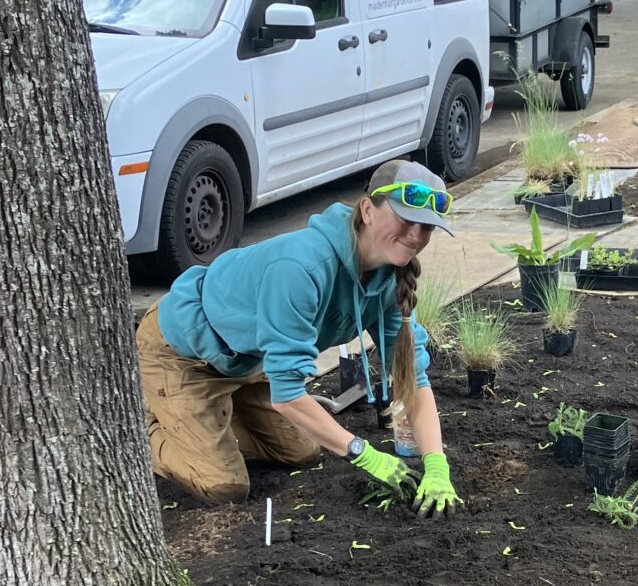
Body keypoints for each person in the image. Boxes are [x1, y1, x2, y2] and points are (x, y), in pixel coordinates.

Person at [135, 158, 461, 515]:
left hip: (249, 361)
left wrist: (436, 466)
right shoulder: (302, 268)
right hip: (185, 352)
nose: (416, 236)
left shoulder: (386, 280)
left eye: (427, 228)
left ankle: (206, 420)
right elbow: (288, 395)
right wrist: (364, 454)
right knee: (224, 486)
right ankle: (139, 434)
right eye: (406, 220)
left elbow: (414, 380)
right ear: (367, 210)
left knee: (302, 452)